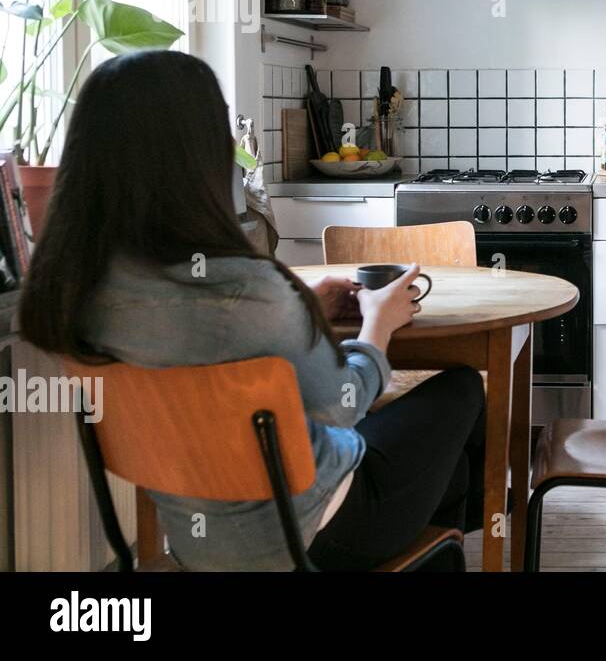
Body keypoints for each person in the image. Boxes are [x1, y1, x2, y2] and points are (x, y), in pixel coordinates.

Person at [19, 50, 486, 569]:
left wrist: (302, 306)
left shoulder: (77, 288)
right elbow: (341, 404)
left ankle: (440, 554)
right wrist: (379, 323)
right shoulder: (246, 288)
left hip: (199, 540)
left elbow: (199, 335)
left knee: (451, 474)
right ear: (194, 156)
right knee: (462, 389)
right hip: (314, 531)